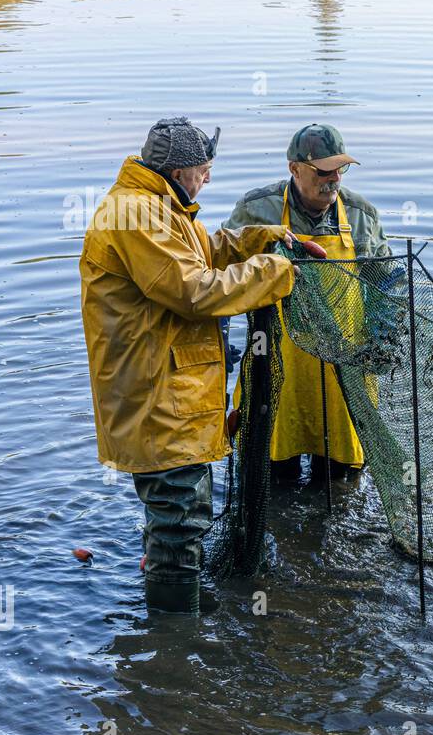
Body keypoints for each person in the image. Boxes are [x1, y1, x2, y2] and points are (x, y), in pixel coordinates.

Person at [80, 117, 298, 612]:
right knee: (179, 519)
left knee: (180, 517)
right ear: (178, 171)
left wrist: (255, 240)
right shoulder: (135, 215)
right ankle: (174, 642)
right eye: (203, 170)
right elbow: (194, 291)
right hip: (157, 399)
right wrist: (272, 270)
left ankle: (177, 638)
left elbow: (203, 252)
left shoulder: (159, 205)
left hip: (173, 397)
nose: (208, 179)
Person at [223, 123, 391, 483]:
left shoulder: (361, 216)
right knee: (273, 473)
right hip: (276, 359)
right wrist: (221, 342)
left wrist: (383, 337)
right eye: (322, 171)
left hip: (343, 367)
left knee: (340, 477)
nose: (333, 179)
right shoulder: (258, 211)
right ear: (294, 168)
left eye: (339, 169)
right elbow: (218, 276)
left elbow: (386, 282)